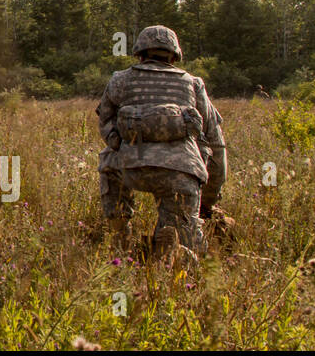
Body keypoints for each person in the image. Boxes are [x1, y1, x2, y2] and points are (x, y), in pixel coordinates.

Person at [96, 25, 228, 260]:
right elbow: (216, 144)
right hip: (181, 173)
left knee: (108, 158)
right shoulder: (193, 83)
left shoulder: (120, 80)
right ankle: (171, 244)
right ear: (174, 55)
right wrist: (208, 200)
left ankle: (120, 235)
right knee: (185, 240)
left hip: (130, 168)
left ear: (140, 52)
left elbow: (106, 121)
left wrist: (118, 145)